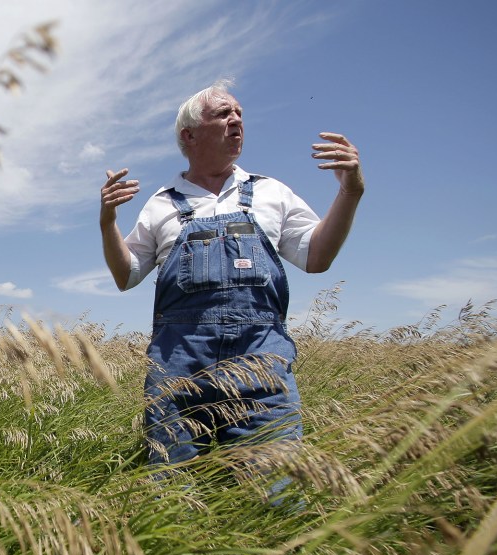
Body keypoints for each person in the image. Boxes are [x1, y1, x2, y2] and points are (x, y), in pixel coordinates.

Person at [99, 79, 364, 493]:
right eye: (223, 114)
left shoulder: (271, 192)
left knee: (278, 495)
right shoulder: (162, 203)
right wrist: (107, 223)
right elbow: (126, 274)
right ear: (189, 135)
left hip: (261, 365)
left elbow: (317, 257)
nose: (236, 120)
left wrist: (351, 192)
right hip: (179, 370)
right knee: (175, 497)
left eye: (239, 113)